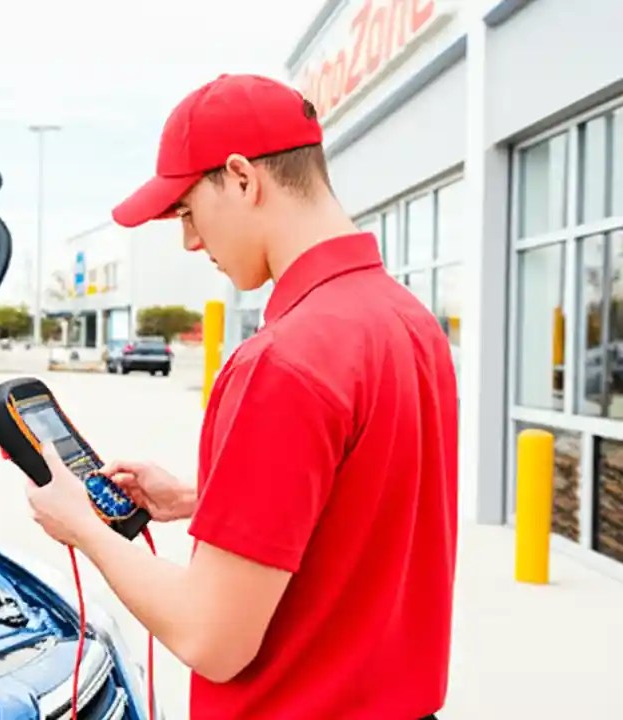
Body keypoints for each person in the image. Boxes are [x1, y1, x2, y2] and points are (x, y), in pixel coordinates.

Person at [23, 73, 458, 719]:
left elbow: (212, 638)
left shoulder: (284, 360)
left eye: (187, 212)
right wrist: (208, 499)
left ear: (242, 177)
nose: (191, 242)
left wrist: (82, 527)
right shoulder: (409, 321)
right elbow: (368, 501)